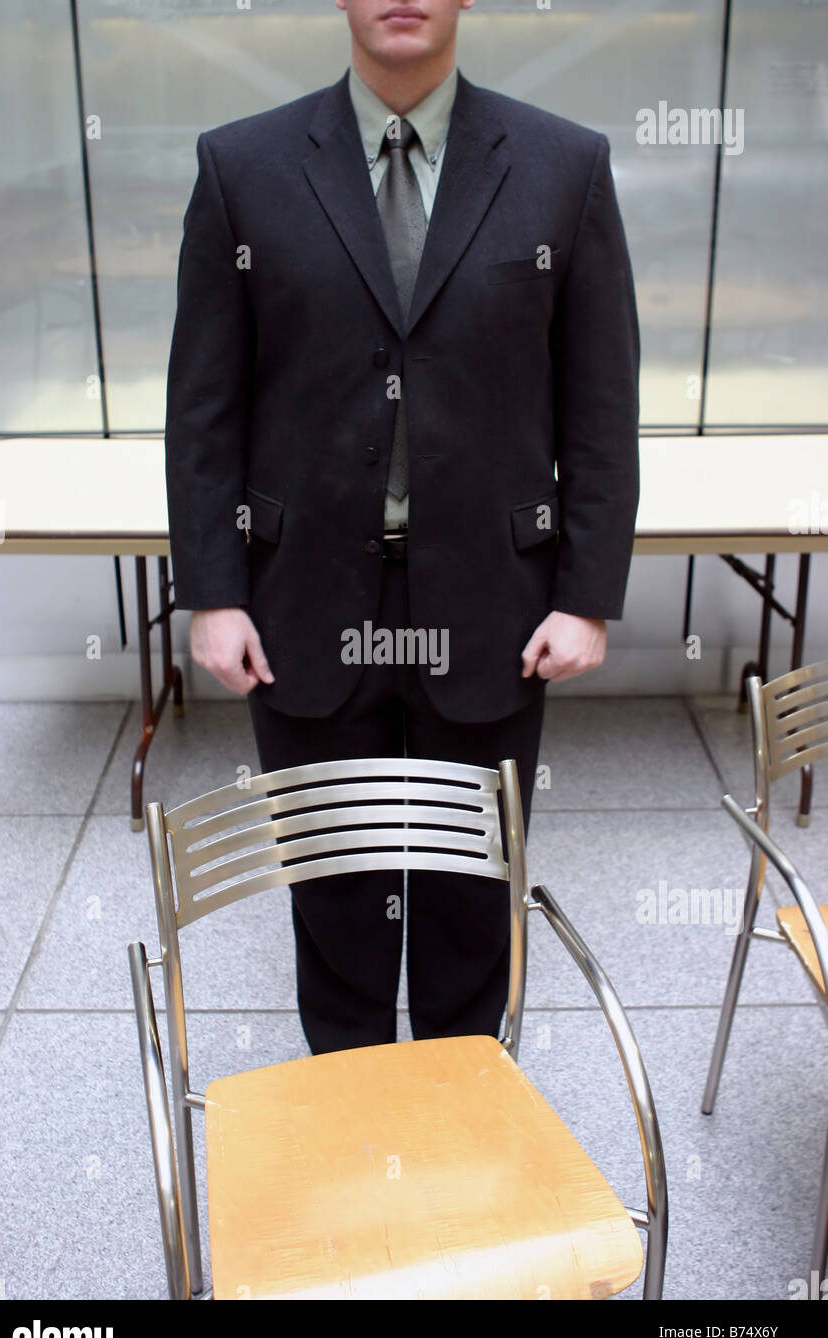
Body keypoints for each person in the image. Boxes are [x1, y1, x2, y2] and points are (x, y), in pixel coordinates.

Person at [165, 0, 640, 1055]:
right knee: (334, 890)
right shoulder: (242, 164)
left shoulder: (563, 165)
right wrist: (213, 588)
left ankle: (460, 1133)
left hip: (494, 604)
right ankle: (348, 1122)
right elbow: (204, 405)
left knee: (472, 894)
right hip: (299, 604)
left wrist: (583, 592)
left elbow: (599, 402)